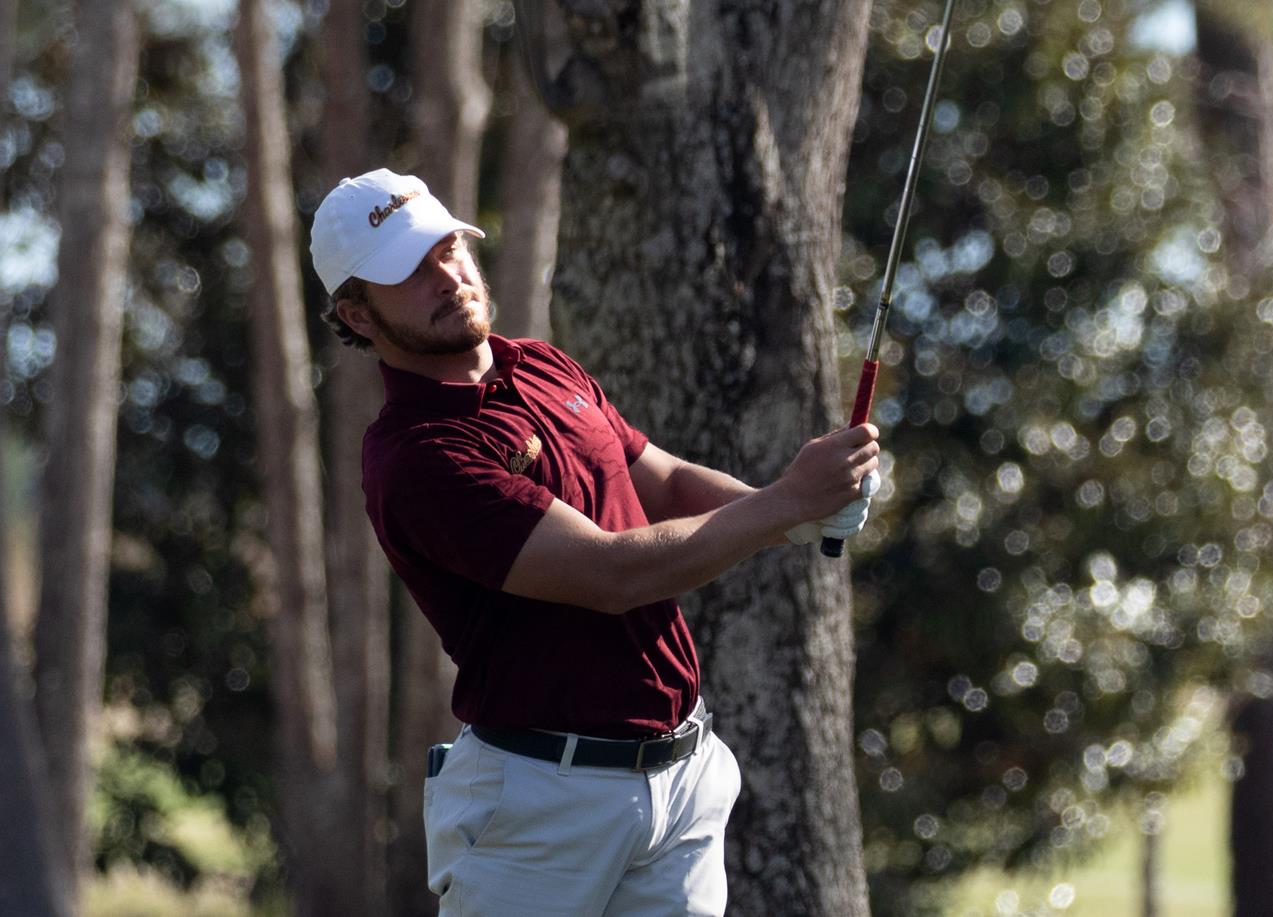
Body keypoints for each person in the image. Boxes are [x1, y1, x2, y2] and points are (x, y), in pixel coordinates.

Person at [310, 169, 883, 916]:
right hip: (540, 809)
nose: (447, 277)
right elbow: (610, 575)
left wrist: (799, 515)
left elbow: (663, 482)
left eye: (448, 249)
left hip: (681, 779)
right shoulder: (420, 455)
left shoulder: (542, 364)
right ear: (357, 315)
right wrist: (787, 503)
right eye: (410, 272)